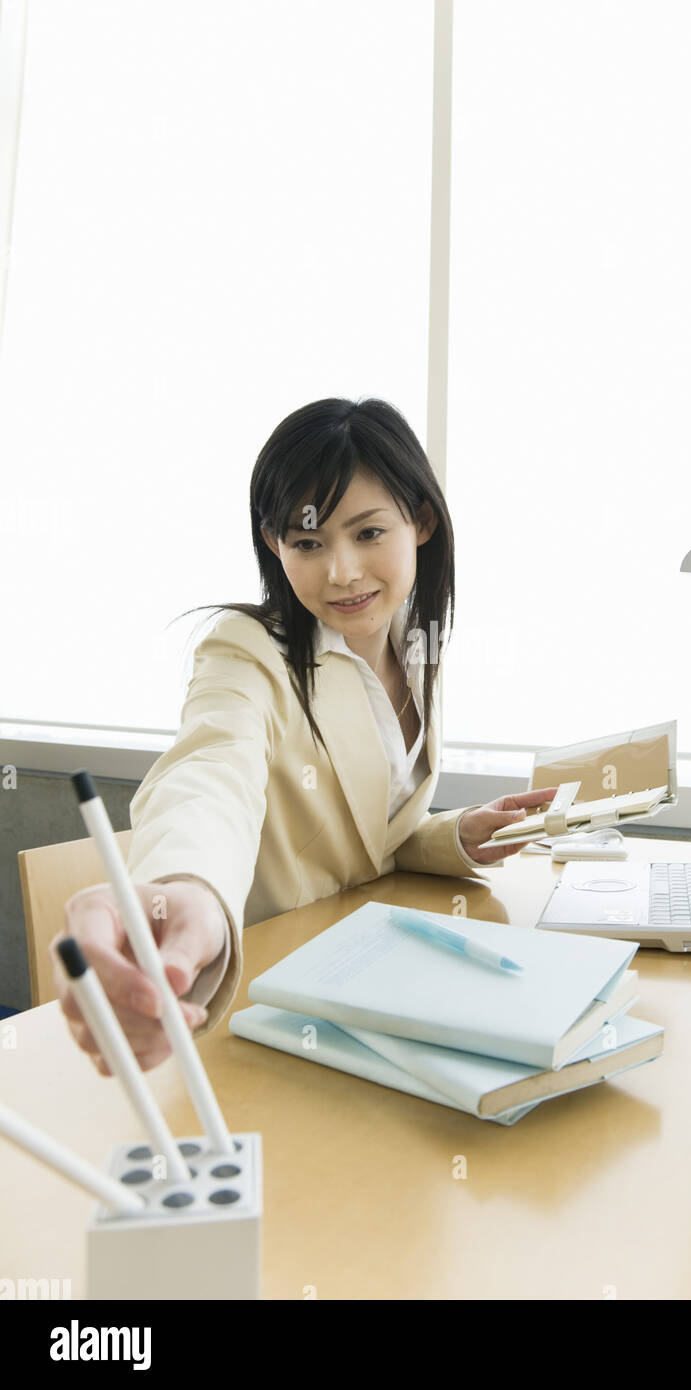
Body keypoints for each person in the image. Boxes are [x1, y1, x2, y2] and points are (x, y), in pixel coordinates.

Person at [51, 397, 558, 1072]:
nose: (341, 571)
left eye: (369, 533)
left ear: (423, 521)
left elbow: (370, 838)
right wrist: (188, 892)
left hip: (365, 980)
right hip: (268, 1003)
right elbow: (210, 775)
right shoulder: (248, 651)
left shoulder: (418, 646)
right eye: (309, 543)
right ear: (274, 544)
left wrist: (454, 834)